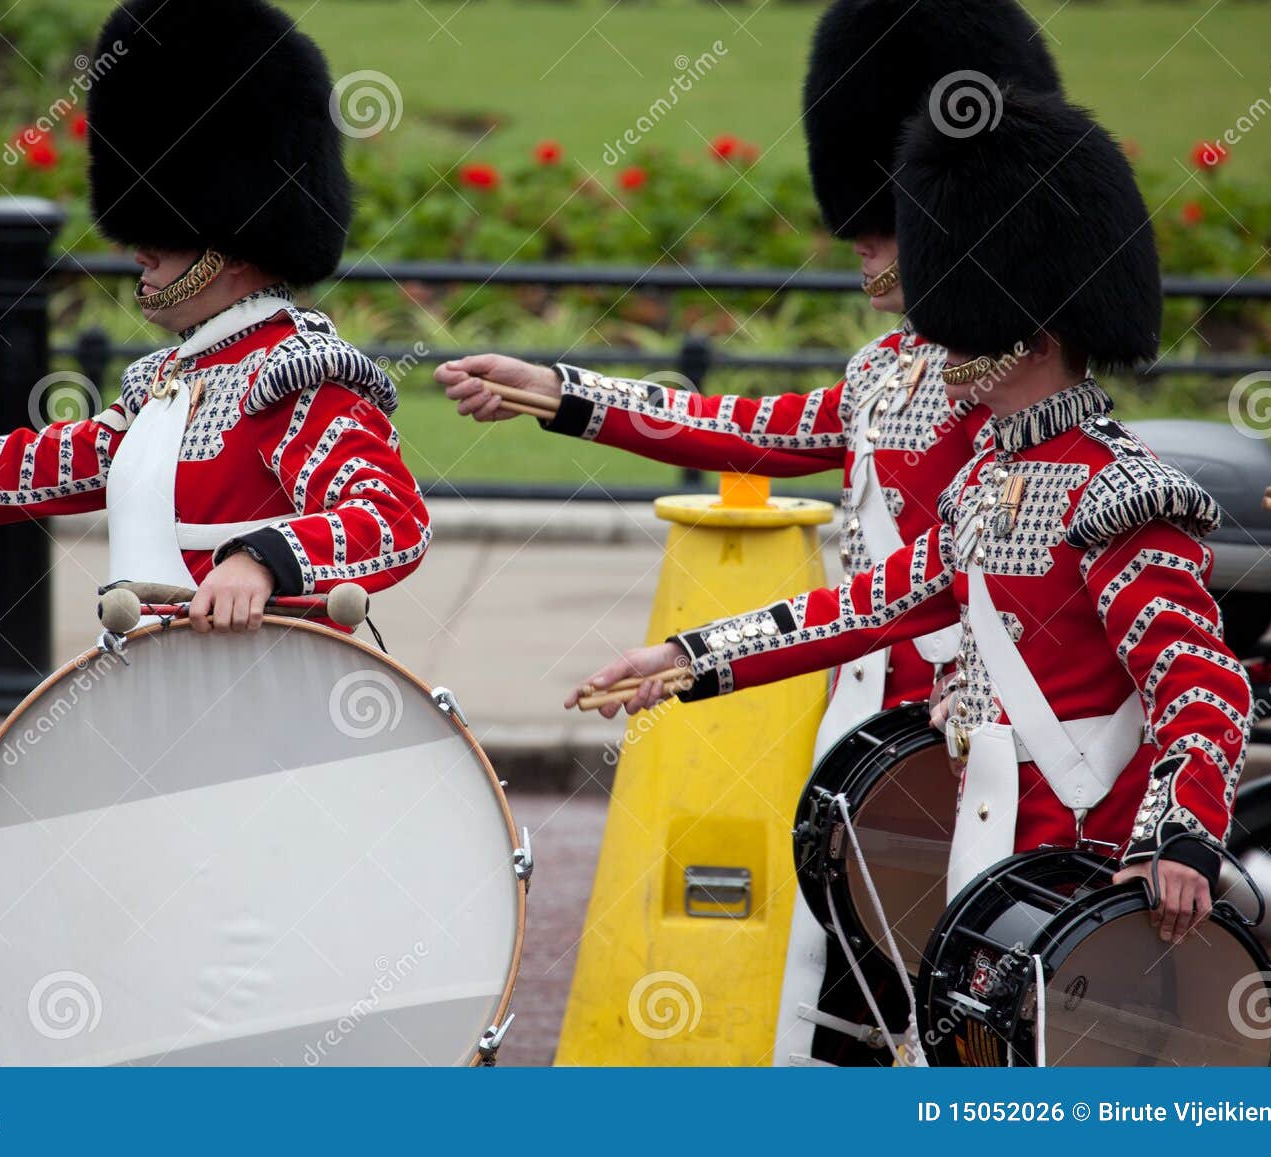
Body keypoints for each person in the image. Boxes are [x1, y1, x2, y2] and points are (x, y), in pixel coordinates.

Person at [436, 0, 1061, 1066]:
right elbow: (747, 427)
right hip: (860, 742)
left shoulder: (1006, 388)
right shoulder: (887, 368)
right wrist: (561, 393)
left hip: (977, 744)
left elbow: (913, 588)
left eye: (884, 224)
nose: (865, 248)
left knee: (954, 1022)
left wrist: (699, 653)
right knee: (845, 1013)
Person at [571, 89, 1250, 975]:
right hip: (986, 858)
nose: (938, 344)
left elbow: (1200, 685)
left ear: (1035, 334)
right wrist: (688, 657)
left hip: (1086, 879)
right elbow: (867, 606)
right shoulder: (986, 483)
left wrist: (1179, 834)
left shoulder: (1120, 495)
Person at [0, 0, 429, 634]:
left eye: (166, 230)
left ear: (234, 245)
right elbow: (16, 471)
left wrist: (260, 563)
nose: (139, 249)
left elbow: (392, 519)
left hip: (270, 712)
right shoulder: (169, 381)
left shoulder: (295, 376)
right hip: (157, 701)